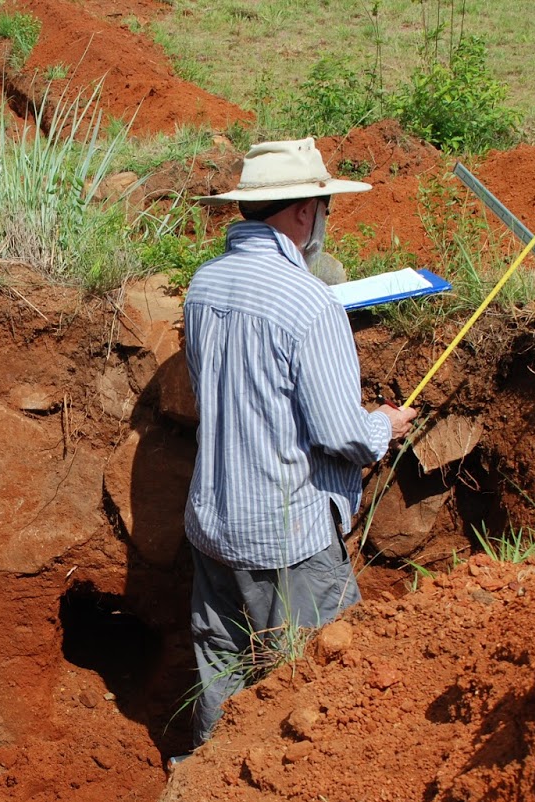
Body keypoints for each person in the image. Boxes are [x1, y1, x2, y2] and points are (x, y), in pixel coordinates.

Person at [177, 137, 417, 755]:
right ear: (305, 213)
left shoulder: (202, 285)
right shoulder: (312, 304)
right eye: (322, 209)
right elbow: (342, 434)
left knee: (223, 675)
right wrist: (383, 428)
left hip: (212, 523)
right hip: (288, 539)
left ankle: (202, 799)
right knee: (324, 692)